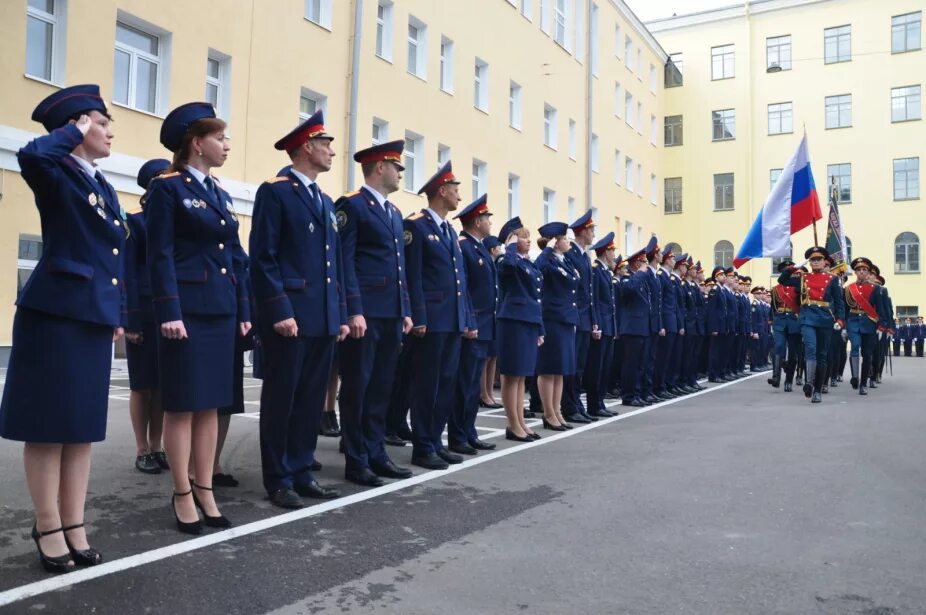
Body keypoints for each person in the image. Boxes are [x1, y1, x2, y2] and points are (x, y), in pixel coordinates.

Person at [0, 85, 123, 571]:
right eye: (101, 120)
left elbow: (116, 257)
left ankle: (74, 523)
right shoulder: (56, 173)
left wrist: (118, 313)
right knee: (50, 428)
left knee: (81, 430)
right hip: (55, 316)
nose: (110, 130)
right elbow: (31, 155)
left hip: (92, 314)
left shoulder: (102, 183)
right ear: (76, 125)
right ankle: (47, 523)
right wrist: (72, 128)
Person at [147, 102, 251, 533]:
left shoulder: (221, 193)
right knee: (183, 406)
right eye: (220, 138)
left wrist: (244, 310)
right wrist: (169, 310)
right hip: (187, 312)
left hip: (221, 310)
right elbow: (160, 254)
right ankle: (182, 492)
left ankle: (205, 487)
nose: (227, 145)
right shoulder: (167, 189)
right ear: (197, 143)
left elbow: (236, 258)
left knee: (211, 404)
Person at [249, 110, 346, 508]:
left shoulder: (322, 199)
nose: (332, 152)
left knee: (309, 399)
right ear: (307, 147)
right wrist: (279, 310)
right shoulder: (276, 191)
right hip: (290, 316)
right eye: (326, 145)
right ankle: (278, 477)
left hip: (320, 316)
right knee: (282, 399)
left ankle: (302, 469)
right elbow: (263, 257)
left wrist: (337, 314)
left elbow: (333, 264)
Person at [336, 140, 414, 487]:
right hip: (365, 313)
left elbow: (400, 268)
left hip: (391, 313)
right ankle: (356, 458)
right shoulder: (353, 206)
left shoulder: (395, 213)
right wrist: (354, 309)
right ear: (379, 167)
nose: (401, 173)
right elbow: (345, 261)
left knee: (382, 385)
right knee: (358, 385)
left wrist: (406, 309)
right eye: (396, 167)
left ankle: (375, 450)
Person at [404, 161, 476, 469]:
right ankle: (422, 446)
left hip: (451, 319)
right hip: (431, 321)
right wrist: (418, 316)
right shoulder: (417, 225)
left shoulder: (448, 229)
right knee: (427, 385)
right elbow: (413, 275)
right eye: (456, 189)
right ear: (442, 191)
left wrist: (466, 318)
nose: (460, 196)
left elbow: (460, 281)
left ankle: (435, 440)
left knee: (446, 383)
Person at [126, 159, 170, 475]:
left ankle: (158, 446)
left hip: (169, 314)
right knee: (143, 386)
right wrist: (130, 320)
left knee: (163, 385)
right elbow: (126, 273)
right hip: (143, 313)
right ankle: (142, 449)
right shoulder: (136, 222)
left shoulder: (174, 223)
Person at [449, 194, 498, 454]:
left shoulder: (478, 247)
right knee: (464, 383)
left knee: (472, 383)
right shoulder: (464, 246)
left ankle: (469, 431)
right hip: (473, 324)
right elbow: (463, 288)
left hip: (485, 323)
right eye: (487, 218)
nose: (490, 222)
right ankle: (458, 435)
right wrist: (468, 319)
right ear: (477, 221)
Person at [495, 218, 545, 439]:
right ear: (512, 239)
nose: (529, 240)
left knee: (522, 376)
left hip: (528, 321)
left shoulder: (528, 264)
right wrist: (511, 246)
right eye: (523, 237)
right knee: (511, 375)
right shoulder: (506, 259)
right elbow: (509, 267)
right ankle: (513, 424)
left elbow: (536, 297)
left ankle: (521, 422)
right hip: (513, 322)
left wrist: (540, 328)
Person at [777, 247, 845, 403]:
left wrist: (840, 319)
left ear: (824, 261)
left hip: (825, 318)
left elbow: (839, 302)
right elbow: (782, 280)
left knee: (822, 355)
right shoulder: (803, 277)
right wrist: (794, 267)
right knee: (810, 348)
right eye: (812, 260)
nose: (815, 262)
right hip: (808, 318)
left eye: (818, 259)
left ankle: (818, 389)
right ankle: (809, 382)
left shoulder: (833, 279)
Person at [534, 222, 579, 432]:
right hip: (552, 319)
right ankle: (548, 412)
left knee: (561, 370)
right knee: (548, 369)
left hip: (566, 319)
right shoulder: (548, 261)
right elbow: (538, 268)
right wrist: (547, 249)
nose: (568, 241)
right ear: (555, 241)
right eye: (565, 238)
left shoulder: (565, 261)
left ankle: (557, 411)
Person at [561, 213, 599, 423]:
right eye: (592, 230)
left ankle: (576, 403)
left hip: (584, 317)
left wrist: (593, 318)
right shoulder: (571, 254)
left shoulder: (584, 255)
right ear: (583, 231)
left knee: (580, 365)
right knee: (572, 365)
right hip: (575, 316)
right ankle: (569, 406)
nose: (593, 234)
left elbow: (589, 292)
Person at [585, 233, 619, 417]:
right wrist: (596, 324)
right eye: (612, 250)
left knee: (605, 366)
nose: (614, 253)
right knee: (596, 367)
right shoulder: (597, 270)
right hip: (601, 325)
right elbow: (595, 300)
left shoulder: (606, 271)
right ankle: (594, 404)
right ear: (605, 252)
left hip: (609, 325)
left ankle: (600, 402)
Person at [844, 257, 888, 395]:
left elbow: (881, 309)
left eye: (864, 270)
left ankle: (863, 383)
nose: (861, 272)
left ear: (869, 273)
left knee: (867, 354)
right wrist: (844, 327)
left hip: (869, 323)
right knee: (855, 347)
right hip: (853, 322)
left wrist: (881, 327)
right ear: (855, 272)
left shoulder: (876, 289)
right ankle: (855, 377)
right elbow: (845, 309)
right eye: (858, 270)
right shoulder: (848, 289)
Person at [618, 246, 652, 407]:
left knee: (640, 363)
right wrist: (639, 274)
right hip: (631, 327)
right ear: (636, 263)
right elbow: (628, 289)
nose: (646, 264)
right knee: (631, 364)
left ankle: (637, 393)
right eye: (643, 261)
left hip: (642, 327)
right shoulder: (627, 277)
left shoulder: (641, 279)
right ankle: (628, 395)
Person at [768, 261, 802, 391]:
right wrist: (771, 319)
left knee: (793, 353)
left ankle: (788, 380)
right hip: (780, 320)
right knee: (779, 347)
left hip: (794, 320)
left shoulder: (799, 287)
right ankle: (776, 377)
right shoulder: (776, 289)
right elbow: (773, 306)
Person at [480, 235, 504, 409]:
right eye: (498, 247)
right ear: (492, 250)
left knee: (493, 357)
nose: (501, 250)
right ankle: (483, 393)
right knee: (485, 359)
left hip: (494, 317)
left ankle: (489, 392)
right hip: (485, 318)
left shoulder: (494, 266)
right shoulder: (489, 265)